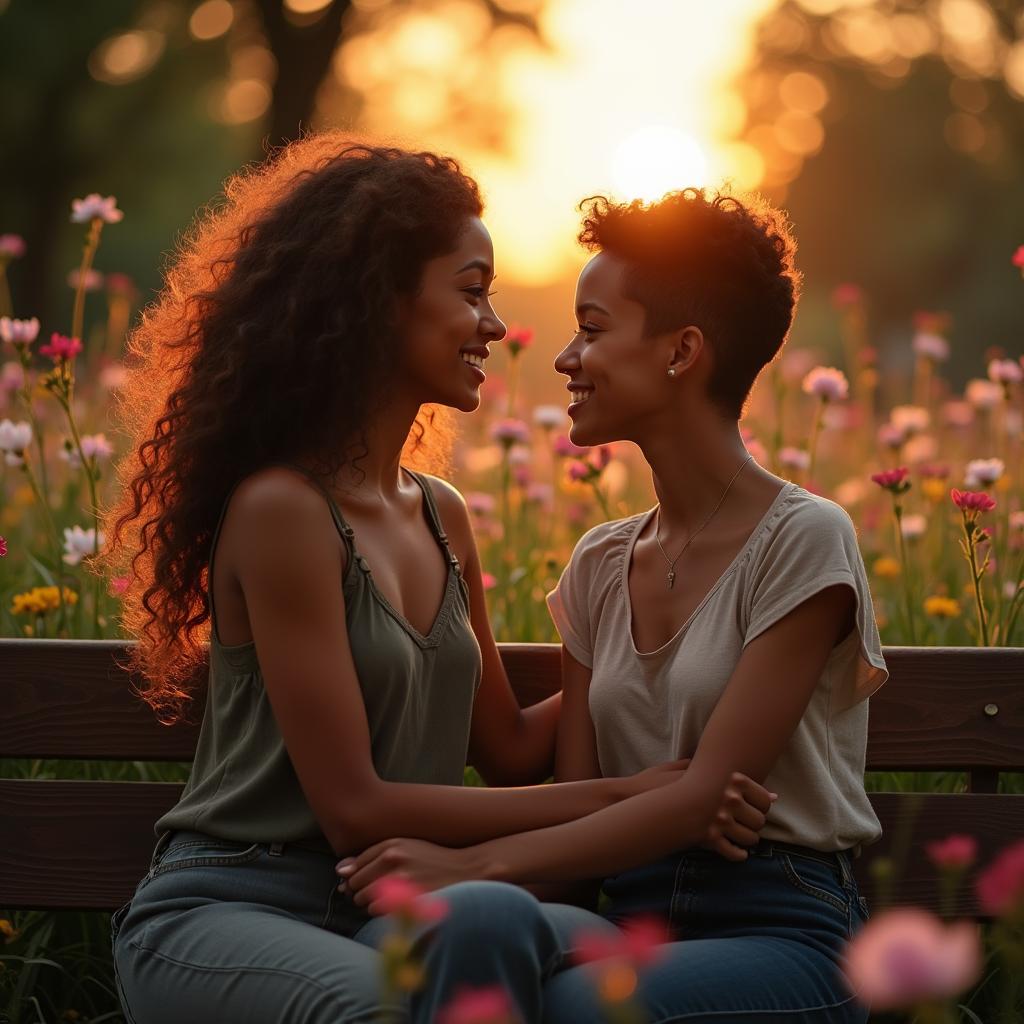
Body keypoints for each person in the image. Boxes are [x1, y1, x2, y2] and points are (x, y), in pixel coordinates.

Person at [102, 136, 772, 1024]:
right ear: (379, 299)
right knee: (394, 1010)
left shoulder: (440, 514)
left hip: (389, 911)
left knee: (526, 953)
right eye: (471, 290)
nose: (494, 324)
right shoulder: (284, 512)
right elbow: (354, 810)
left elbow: (510, 752)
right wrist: (636, 794)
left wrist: (678, 648)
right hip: (239, 905)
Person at [338, 187, 889, 1023]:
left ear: (681, 351)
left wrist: (473, 865)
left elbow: (708, 795)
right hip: (625, 922)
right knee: (468, 945)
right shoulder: (599, 564)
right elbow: (577, 843)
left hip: (781, 926)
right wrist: (478, 895)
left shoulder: (804, 538)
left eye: (592, 330)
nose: (566, 358)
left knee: (578, 1006)